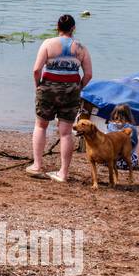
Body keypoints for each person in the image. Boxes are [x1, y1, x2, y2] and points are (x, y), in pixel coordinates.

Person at [26, 14, 92, 183]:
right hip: (71, 91)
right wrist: (79, 88)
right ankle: (63, 173)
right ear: (74, 28)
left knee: (41, 125)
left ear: (57, 27)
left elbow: (36, 70)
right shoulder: (81, 48)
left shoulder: (48, 43)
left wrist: (38, 85)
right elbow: (88, 74)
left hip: (48, 87)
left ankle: (37, 165)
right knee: (66, 132)